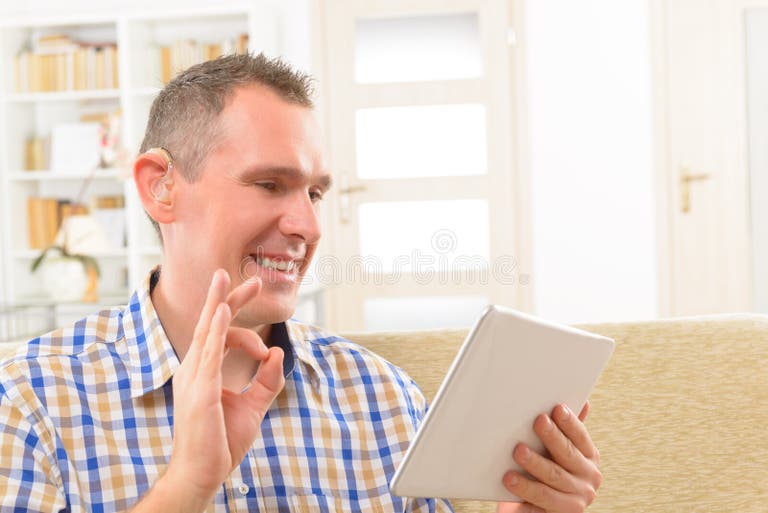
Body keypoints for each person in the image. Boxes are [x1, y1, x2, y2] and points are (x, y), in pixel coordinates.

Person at [0, 54, 602, 512]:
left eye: (314, 193)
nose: (307, 225)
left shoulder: (385, 400)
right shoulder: (29, 404)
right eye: (269, 185)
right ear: (161, 185)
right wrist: (186, 484)